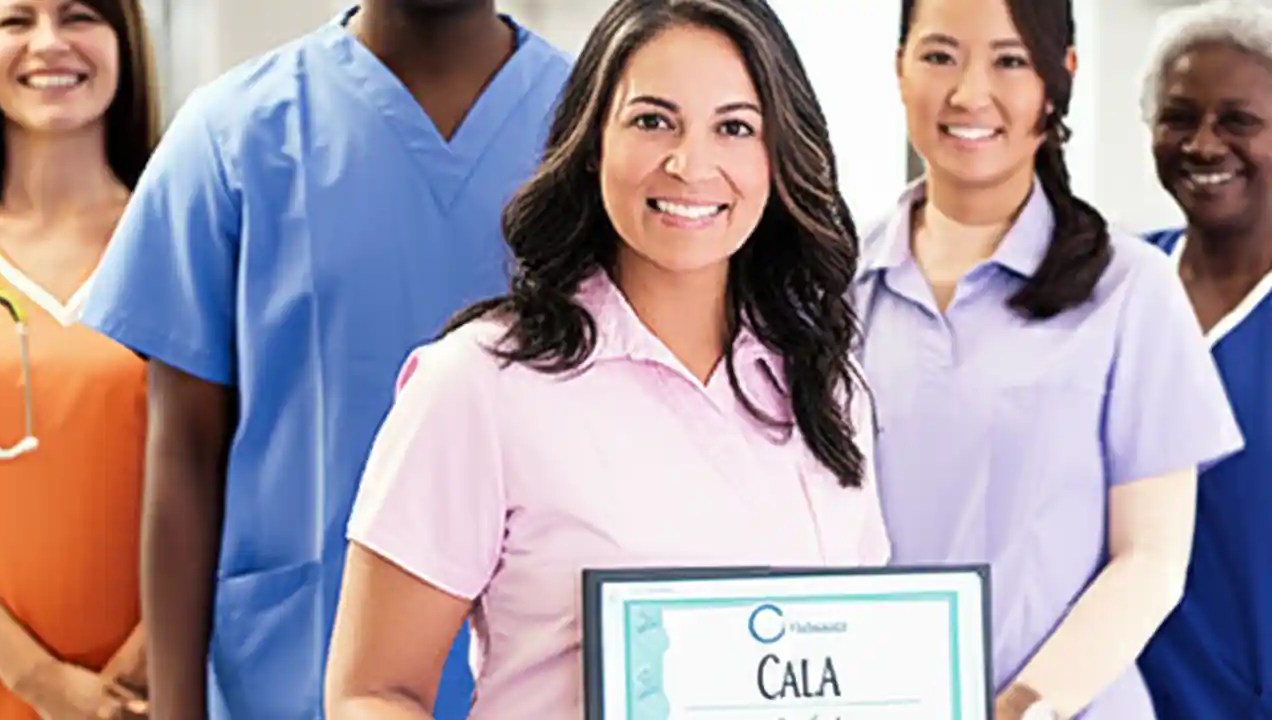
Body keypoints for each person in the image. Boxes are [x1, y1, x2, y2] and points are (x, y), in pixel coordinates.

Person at [322, 0, 891, 716]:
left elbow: (861, 667)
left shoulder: (827, 387)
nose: (691, 164)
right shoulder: (477, 384)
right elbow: (372, 692)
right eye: (653, 121)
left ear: (779, 156)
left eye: (735, 127)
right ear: (593, 143)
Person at [78, 0, 571, 717]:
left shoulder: (596, 131)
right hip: (288, 674)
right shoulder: (232, 133)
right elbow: (184, 446)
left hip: (540, 675)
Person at [855, 0, 1244, 718]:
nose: (970, 93)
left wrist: (1026, 706)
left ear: (1060, 76)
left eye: (1009, 60)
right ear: (899, 69)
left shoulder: (1129, 288)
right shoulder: (830, 286)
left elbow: (1151, 561)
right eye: (940, 56)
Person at [0, 0, 158, 718]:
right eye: (15, 21)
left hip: (162, 684)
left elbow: (246, 467)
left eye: (79, 15)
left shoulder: (186, 238)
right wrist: (44, 684)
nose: (49, 44)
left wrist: (149, 663)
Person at [1135, 2, 1272, 717]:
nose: (1205, 144)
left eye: (1239, 121)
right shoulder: (1113, 286)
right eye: (1179, 117)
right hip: (1114, 696)